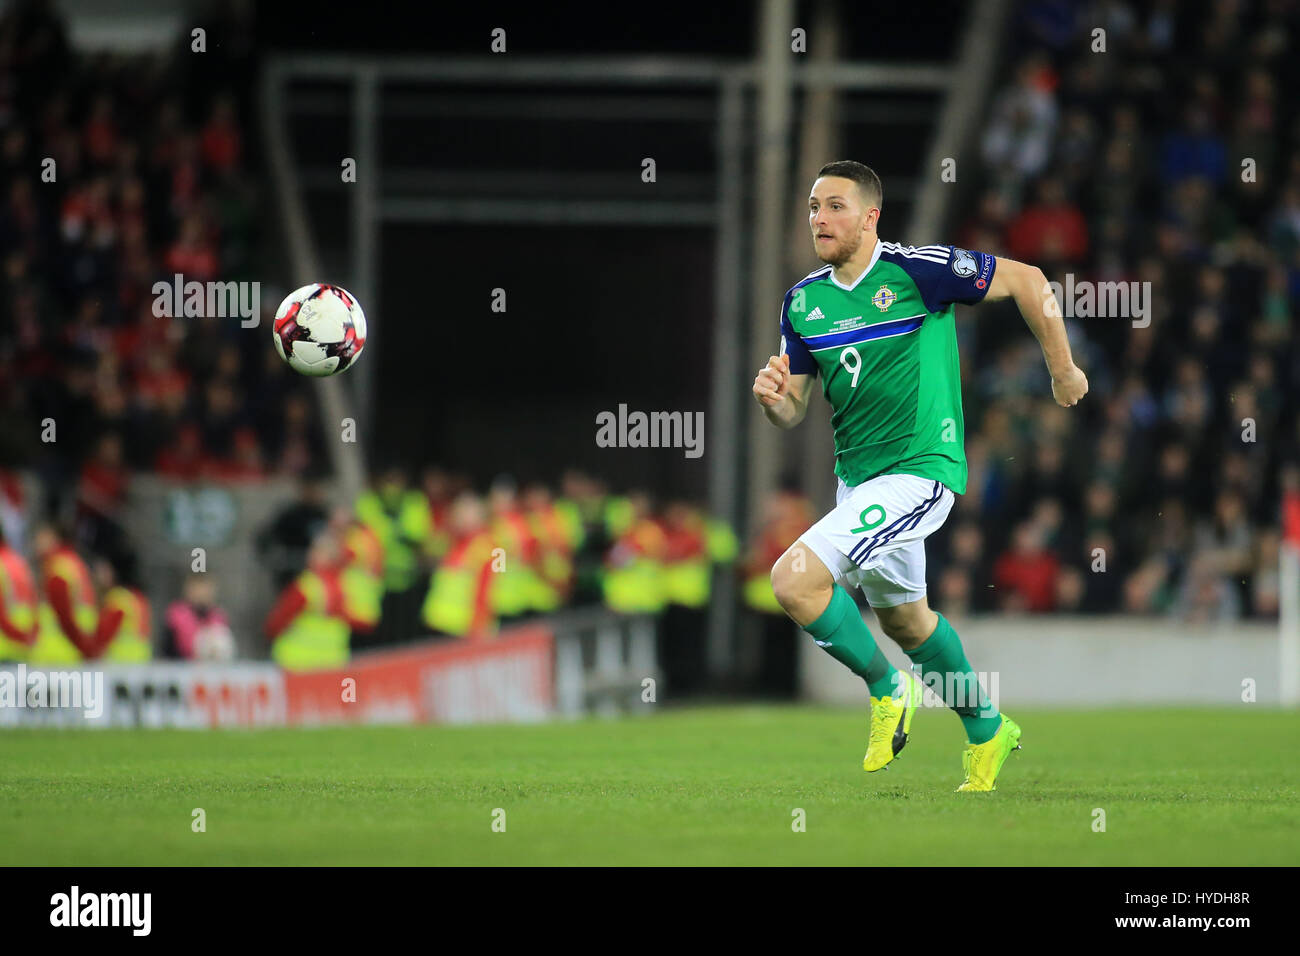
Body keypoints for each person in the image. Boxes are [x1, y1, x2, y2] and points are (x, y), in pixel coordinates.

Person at [754, 160, 1088, 792]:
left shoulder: (918, 270)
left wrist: (1062, 369)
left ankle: (887, 692)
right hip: (857, 480)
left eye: (834, 207)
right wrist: (775, 400)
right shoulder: (803, 302)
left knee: (793, 582)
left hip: (919, 471)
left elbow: (1029, 279)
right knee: (907, 623)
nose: (819, 219)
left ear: (870, 216)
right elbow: (793, 409)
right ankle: (989, 730)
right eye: (813, 208)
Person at [164, 572, 234, 660]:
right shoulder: (176, 614)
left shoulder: (219, 617)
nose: (201, 593)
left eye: (206, 589)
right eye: (197, 589)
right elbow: (168, 650)